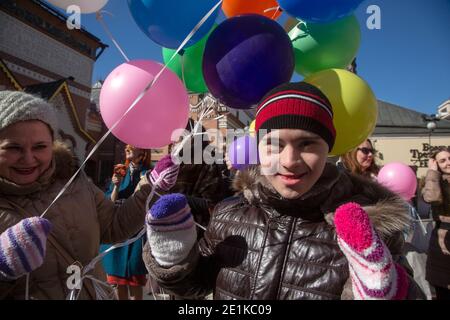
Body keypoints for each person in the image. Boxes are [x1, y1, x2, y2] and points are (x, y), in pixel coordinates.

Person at [142, 82, 423, 300]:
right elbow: (196, 286)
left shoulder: (368, 224)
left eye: (307, 144)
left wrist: (385, 289)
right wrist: (173, 255)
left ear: (329, 148)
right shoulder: (230, 213)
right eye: (274, 144)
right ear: (259, 147)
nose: (289, 161)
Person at [0, 90, 179, 299]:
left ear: (52, 144)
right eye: (13, 148)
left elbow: (115, 226)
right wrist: (3, 271)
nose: (28, 158)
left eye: (40, 146)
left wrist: (151, 186)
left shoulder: (74, 182)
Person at [100, 145, 151, 300]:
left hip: (136, 233)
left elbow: (146, 200)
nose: (126, 148)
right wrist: (115, 185)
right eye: (126, 146)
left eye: (131, 146)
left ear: (142, 151)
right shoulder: (120, 171)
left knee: (135, 283)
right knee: (117, 284)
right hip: (117, 231)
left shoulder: (147, 174)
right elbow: (109, 202)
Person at [422, 146, 450, 299]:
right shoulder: (431, 180)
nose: (448, 163)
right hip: (442, 238)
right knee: (443, 288)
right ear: (436, 164)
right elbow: (432, 197)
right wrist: (432, 173)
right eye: (443, 160)